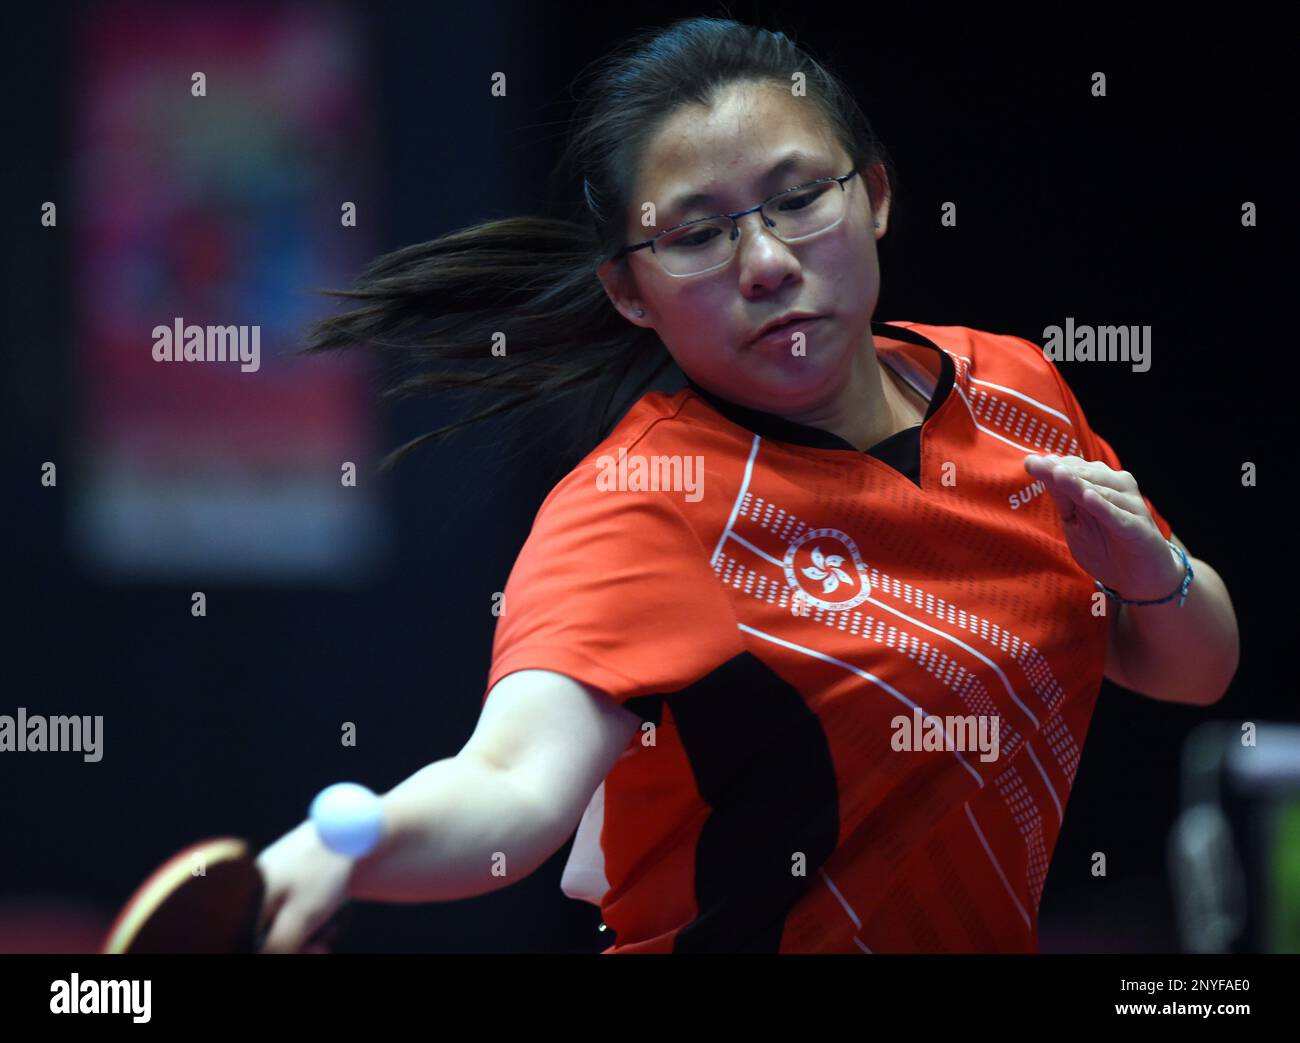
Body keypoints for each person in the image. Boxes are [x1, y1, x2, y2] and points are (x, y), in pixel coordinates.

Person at [255, 17, 1239, 953]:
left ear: (878, 196)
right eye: (695, 234)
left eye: (801, 197)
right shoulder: (640, 505)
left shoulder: (1012, 389)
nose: (765, 264)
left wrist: (1153, 576)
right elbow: (512, 784)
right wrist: (351, 841)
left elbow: (1191, 669)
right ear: (629, 291)